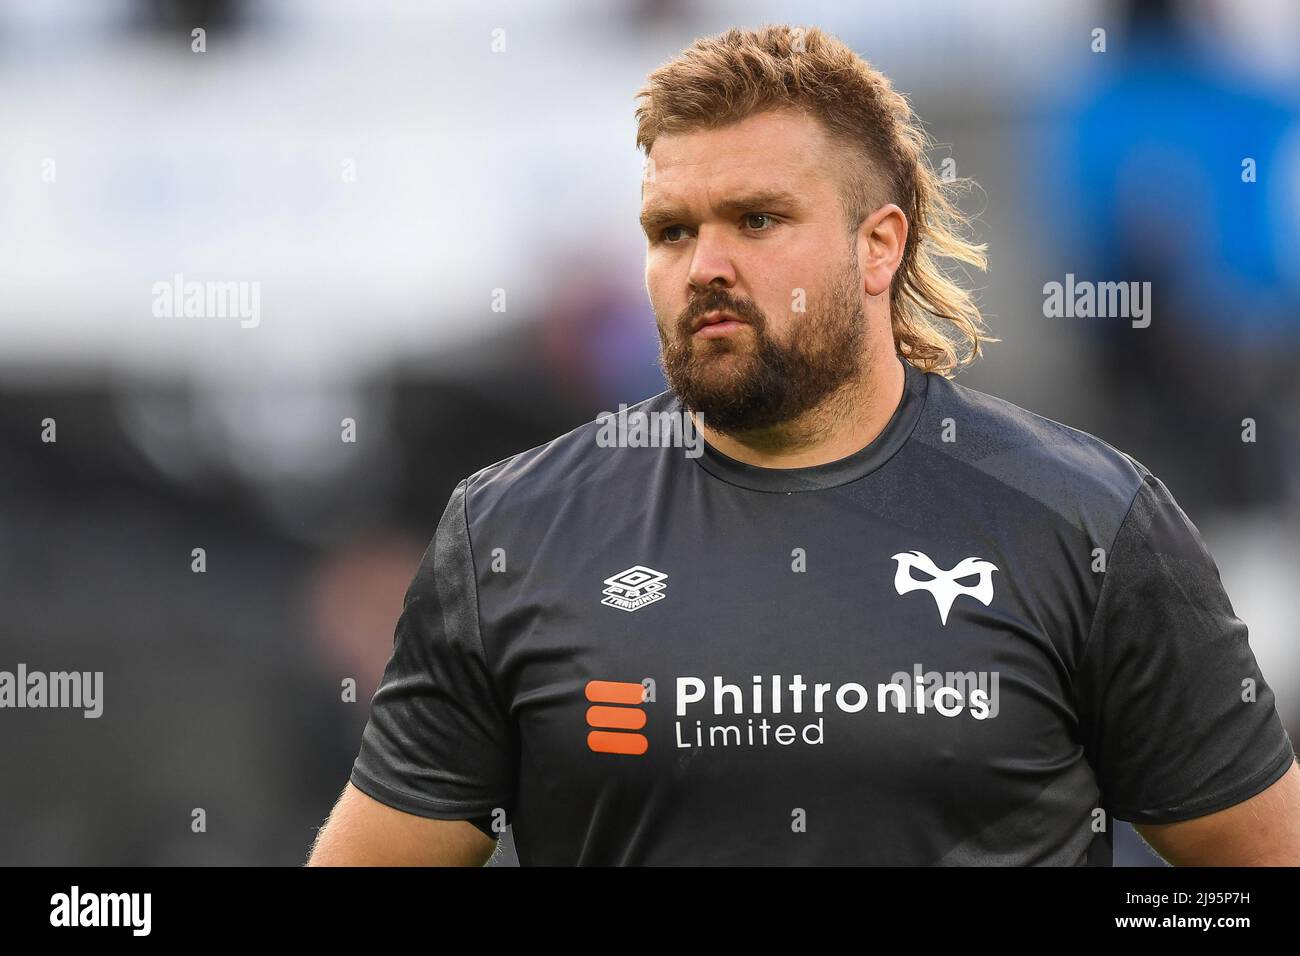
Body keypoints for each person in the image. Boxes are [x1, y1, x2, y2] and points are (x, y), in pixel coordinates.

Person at [308, 25, 1299, 866]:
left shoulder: (1086, 520)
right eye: (670, 231)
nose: (704, 266)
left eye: (756, 219)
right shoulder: (511, 529)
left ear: (879, 245)